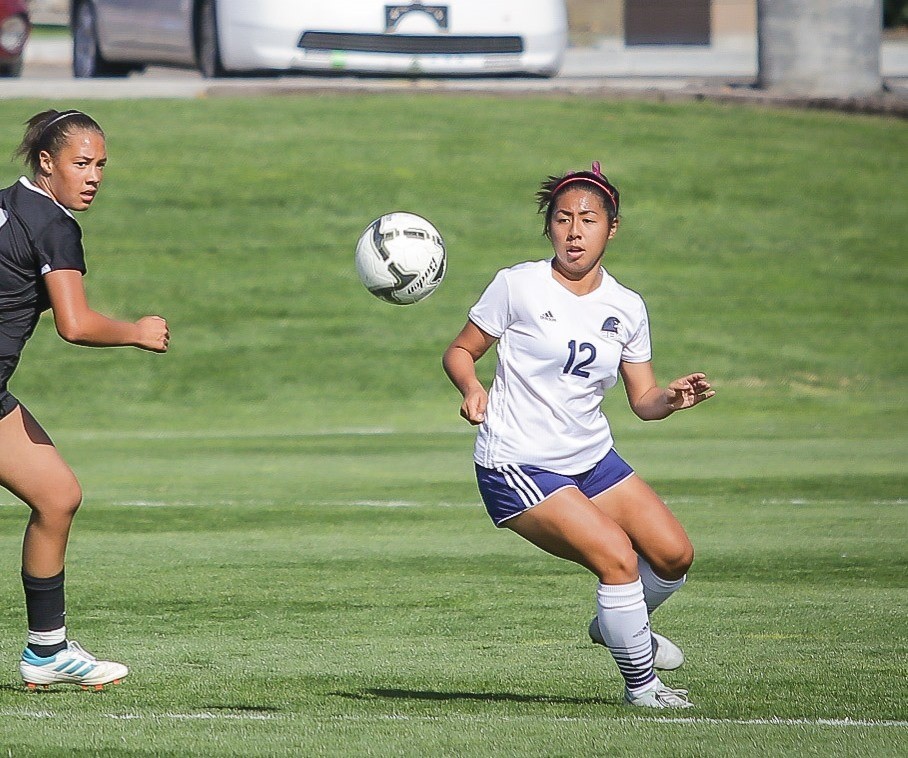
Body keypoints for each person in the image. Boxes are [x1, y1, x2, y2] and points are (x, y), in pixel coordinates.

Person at [442, 162, 714, 708]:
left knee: (674, 555)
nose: (574, 231)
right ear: (549, 228)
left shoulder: (626, 306)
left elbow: (643, 400)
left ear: (611, 228)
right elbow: (459, 351)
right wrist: (472, 387)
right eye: (563, 219)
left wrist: (671, 399)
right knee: (616, 556)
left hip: (590, 458)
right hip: (517, 463)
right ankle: (645, 688)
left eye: (588, 220)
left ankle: (618, 624)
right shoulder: (517, 284)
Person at [0, 109, 169, 690]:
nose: (93, 176)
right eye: (81, 163)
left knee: (57, 495)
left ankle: (47, 652)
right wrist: (136, 331)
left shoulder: (6, 204)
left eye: (100, 165)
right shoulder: (54, 225)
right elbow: (73, 324)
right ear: (46, 163)